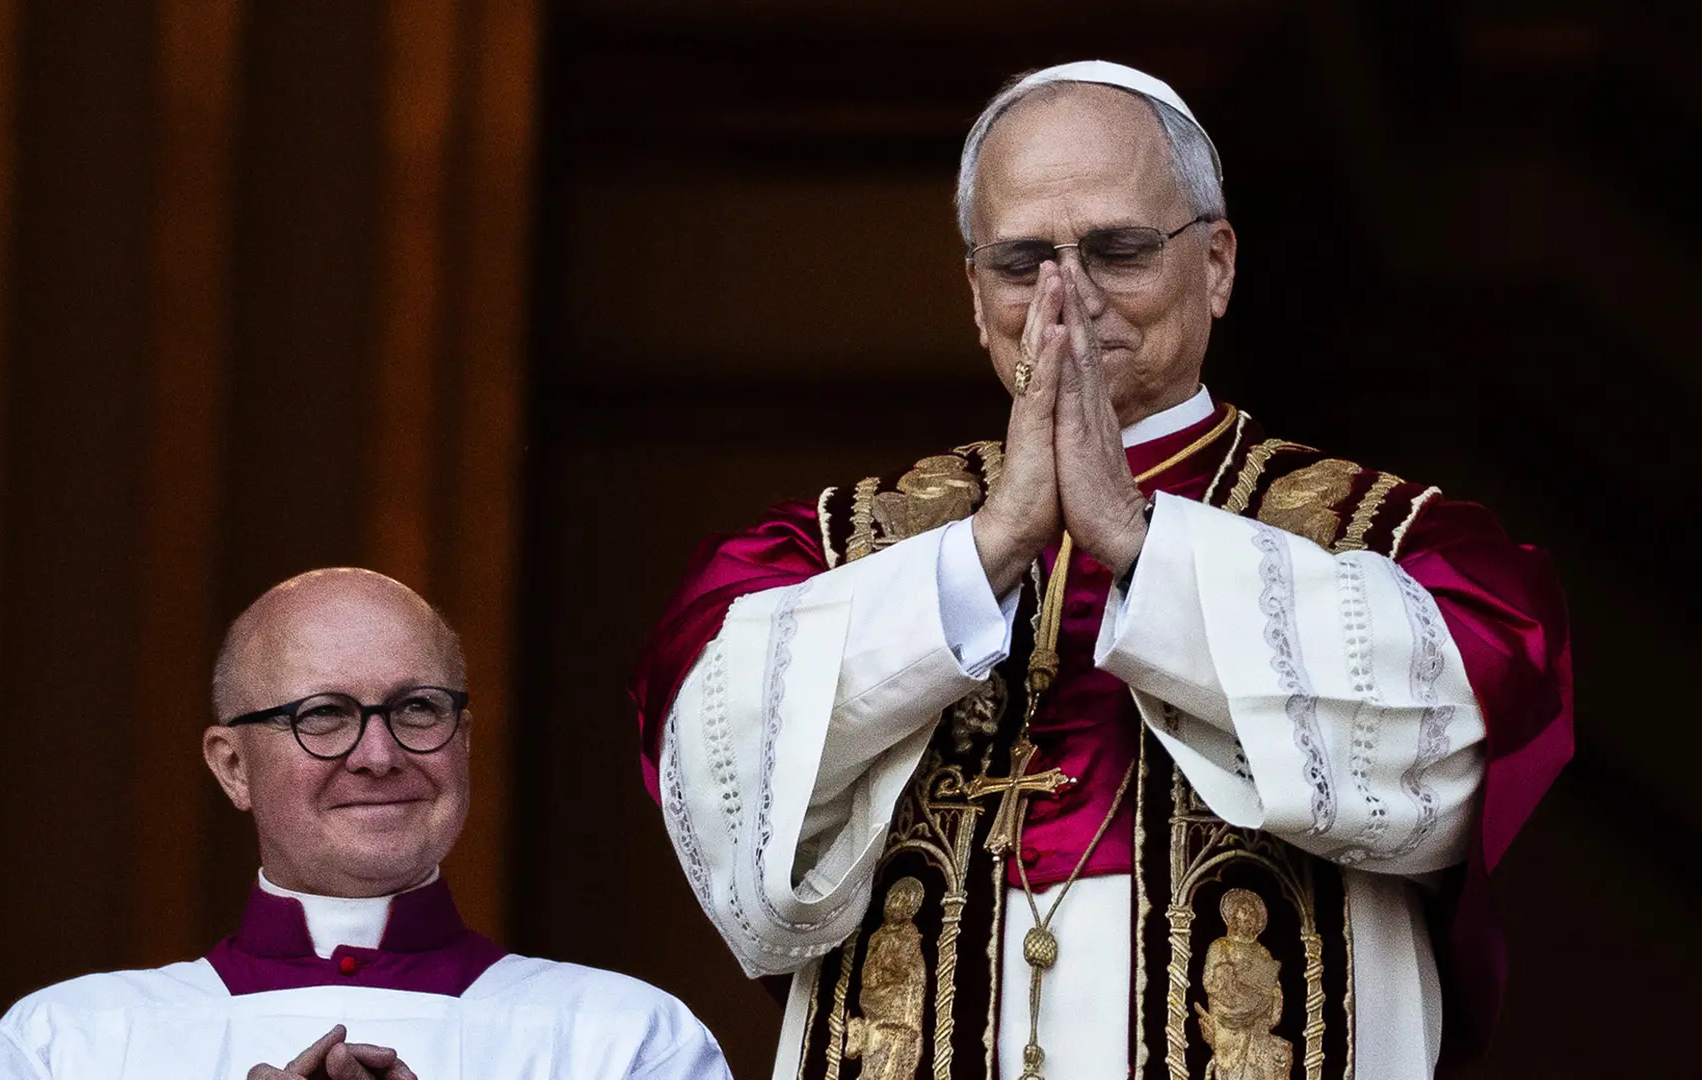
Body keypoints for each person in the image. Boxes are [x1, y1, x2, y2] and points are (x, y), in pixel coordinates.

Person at [631, 61, 1572, 1080]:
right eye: (1021, 259)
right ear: (972, 292)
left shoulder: (1395, 540)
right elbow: (711, 753)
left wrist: (1135, 541)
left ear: (1216, 263)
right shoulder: (821, 548)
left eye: (1117, 251)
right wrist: (987, 551)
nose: (1065, 298)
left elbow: (1454, 739)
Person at [0, 568, 730, 1079]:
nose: (379, 754)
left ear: (462, 738)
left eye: (417, 707)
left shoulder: (621, 1042)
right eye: (323, 715)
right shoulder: (70, 1046)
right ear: (232, 766)